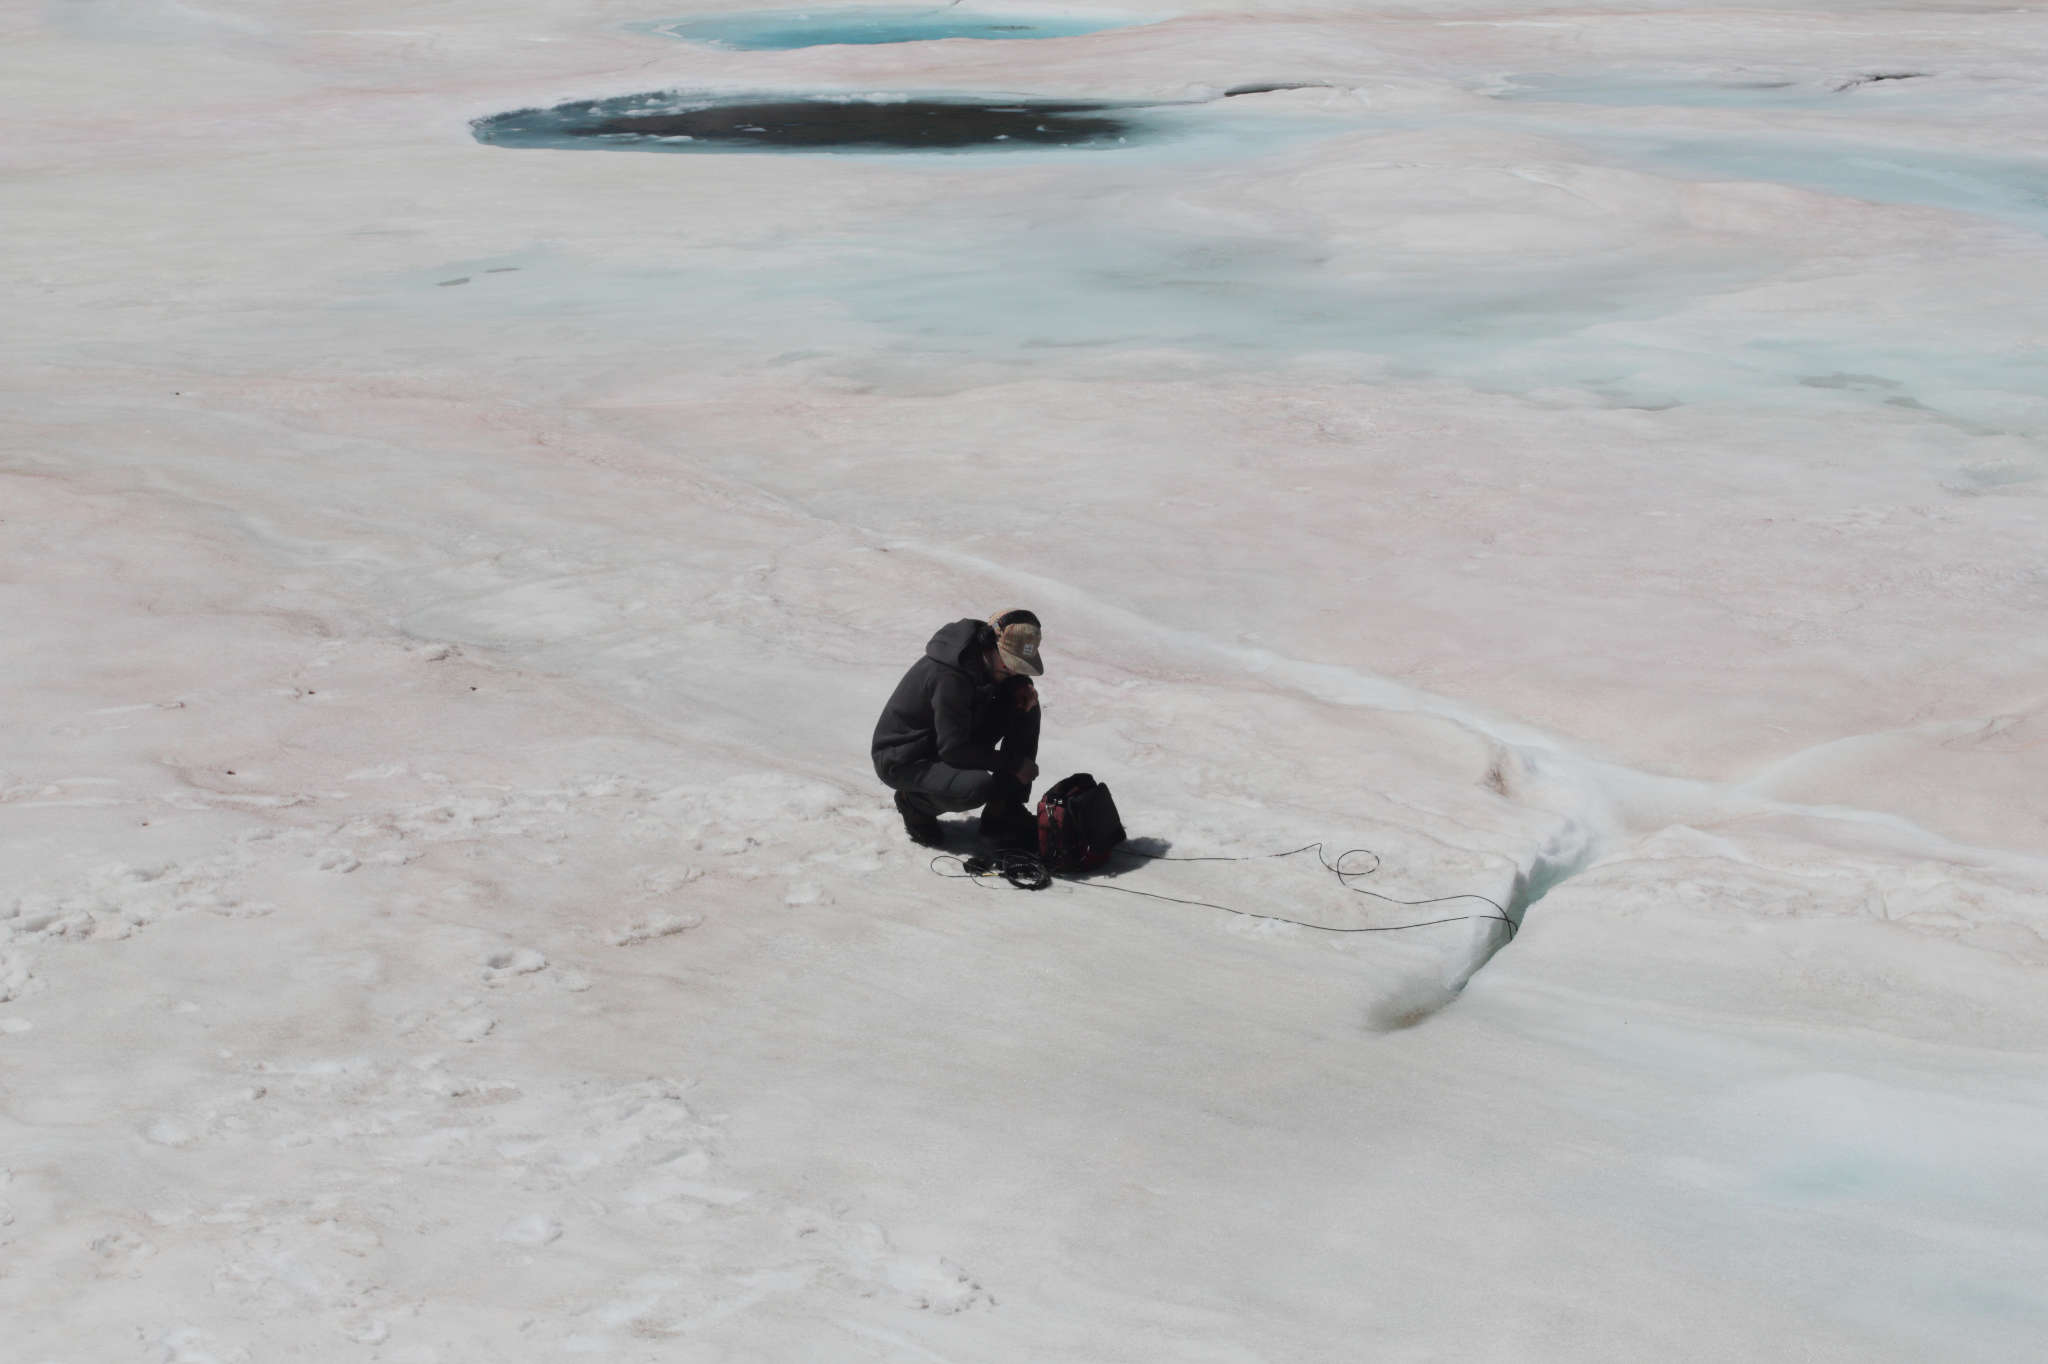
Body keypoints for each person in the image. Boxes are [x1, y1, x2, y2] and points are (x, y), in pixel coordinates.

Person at [872, 609, 1043, 848]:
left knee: (1025, 706)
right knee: (976, 787)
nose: (1013, 670)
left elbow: (955, 740)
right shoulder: (950, 677)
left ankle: (1003, 811)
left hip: (947, 737)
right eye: (1009, 664)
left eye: (1019, 666)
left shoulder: (982, 658)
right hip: (906, 758)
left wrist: (1020, 684)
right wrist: (1013, 764)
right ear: (988, 644)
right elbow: (954, 750)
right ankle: (914, 804)